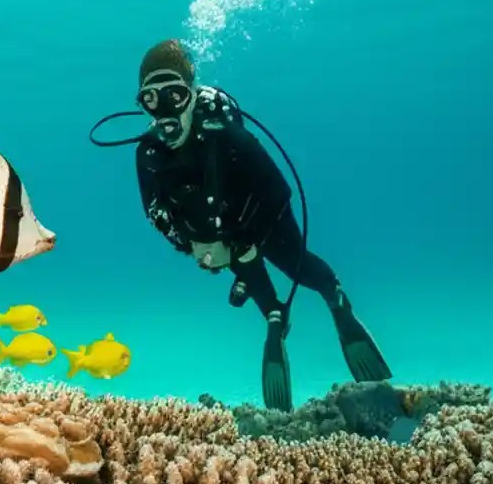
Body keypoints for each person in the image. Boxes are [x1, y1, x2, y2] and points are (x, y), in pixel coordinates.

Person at [132, 39, 391, 411]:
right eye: (152, 99)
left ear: (190, 93)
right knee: (257, 284)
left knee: (296, 267)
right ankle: (274, 318)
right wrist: (191, 247)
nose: (165, 111)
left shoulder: (225, 132)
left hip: (265, 221)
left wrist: (251, 237)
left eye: (173, 95)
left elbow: (278, 189)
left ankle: (335, 301)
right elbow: (154, 210)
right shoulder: (148, 152)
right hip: (219, 237)